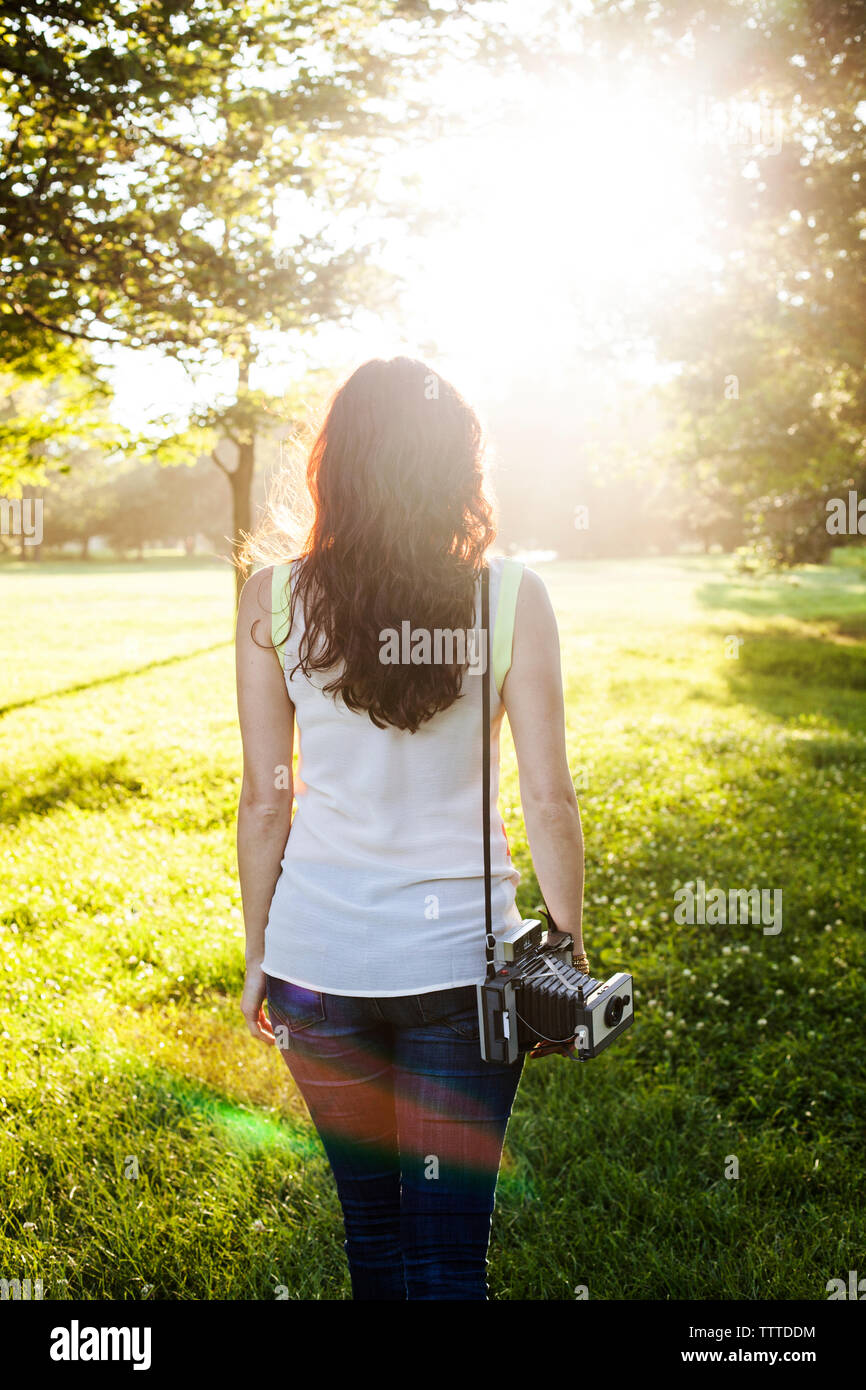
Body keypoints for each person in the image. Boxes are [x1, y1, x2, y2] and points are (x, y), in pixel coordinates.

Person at [234, 356, 585, 1300]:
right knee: (447, 1260)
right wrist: (567, 947)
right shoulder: (510, 595)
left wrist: (258, 949)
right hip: (464, 973)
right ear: (457, 465)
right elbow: (548, 796)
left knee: (375, 1242)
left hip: (317, 964)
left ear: (332, 464)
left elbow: (268, 797)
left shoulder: (272, 597)